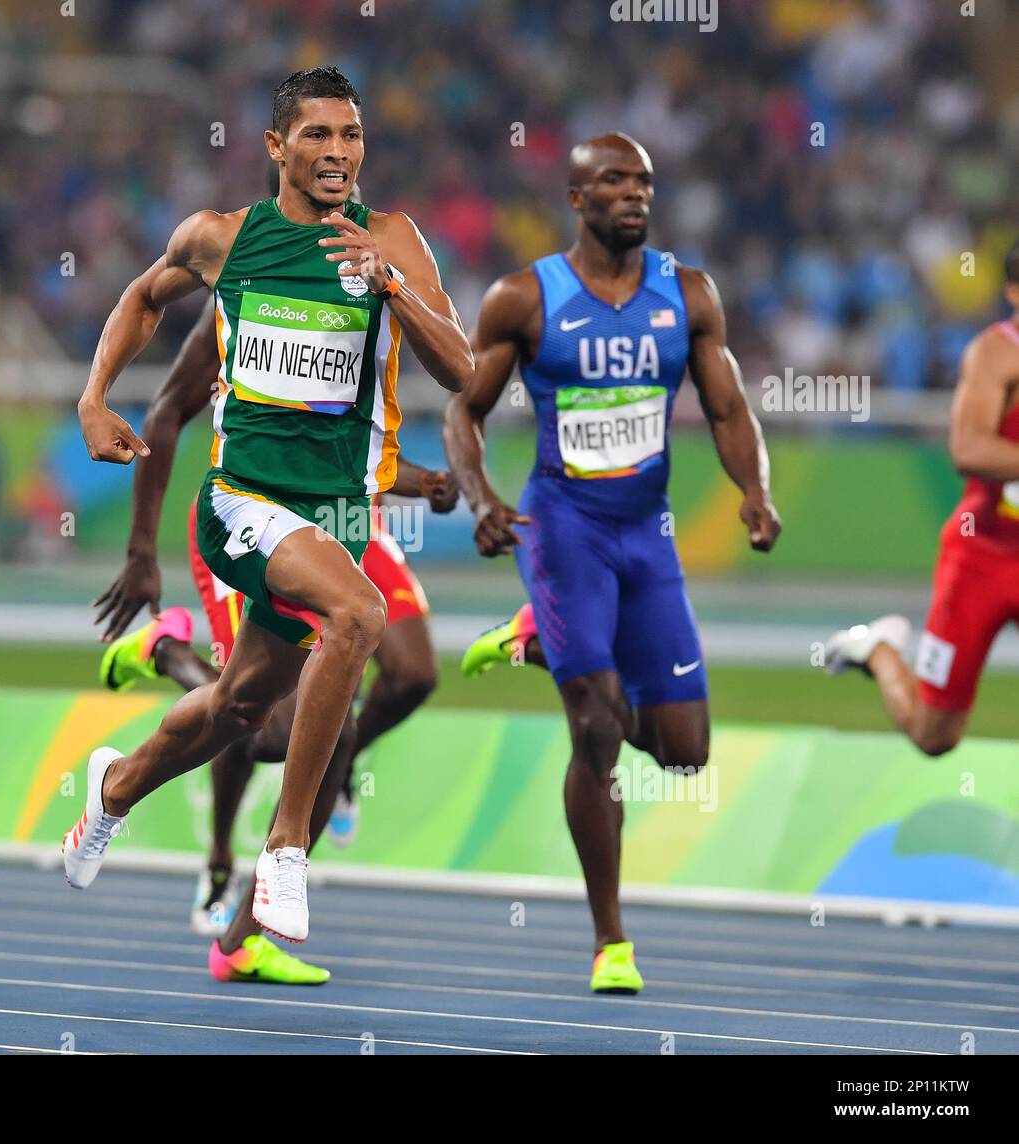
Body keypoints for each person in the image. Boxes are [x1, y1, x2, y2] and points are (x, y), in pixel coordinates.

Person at [67, 65, 472, 946]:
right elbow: (142, 297)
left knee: (237, 710)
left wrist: (392, 288)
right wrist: (96, 396)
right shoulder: (222, 239)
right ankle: (285, 848)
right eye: (319, 135)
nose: (338, 153)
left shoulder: (392, 239)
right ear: (276, 145)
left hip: (337, 519)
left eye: (352, 136)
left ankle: (113, 790)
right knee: (358, 618)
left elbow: (464, 369)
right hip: (242, 504)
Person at [444, 132, 781, 993]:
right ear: (577, 197)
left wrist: (754, 492)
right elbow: (464, 412)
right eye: (614, 182)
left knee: (685, 753)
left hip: (649, 535)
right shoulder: (524, 299)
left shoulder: (689, 294)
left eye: (644, 182)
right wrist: (482, 499)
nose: (635, 194)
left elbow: (730, 406)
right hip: (564, 533)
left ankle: (533, 642)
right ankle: (611, 941)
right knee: (594, 729)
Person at [825, 239, 1019, 756]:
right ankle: (881, 651)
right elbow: (969, 447)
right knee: (934, 737)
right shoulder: (997, 353)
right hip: (983, 557)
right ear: (1013, 291)